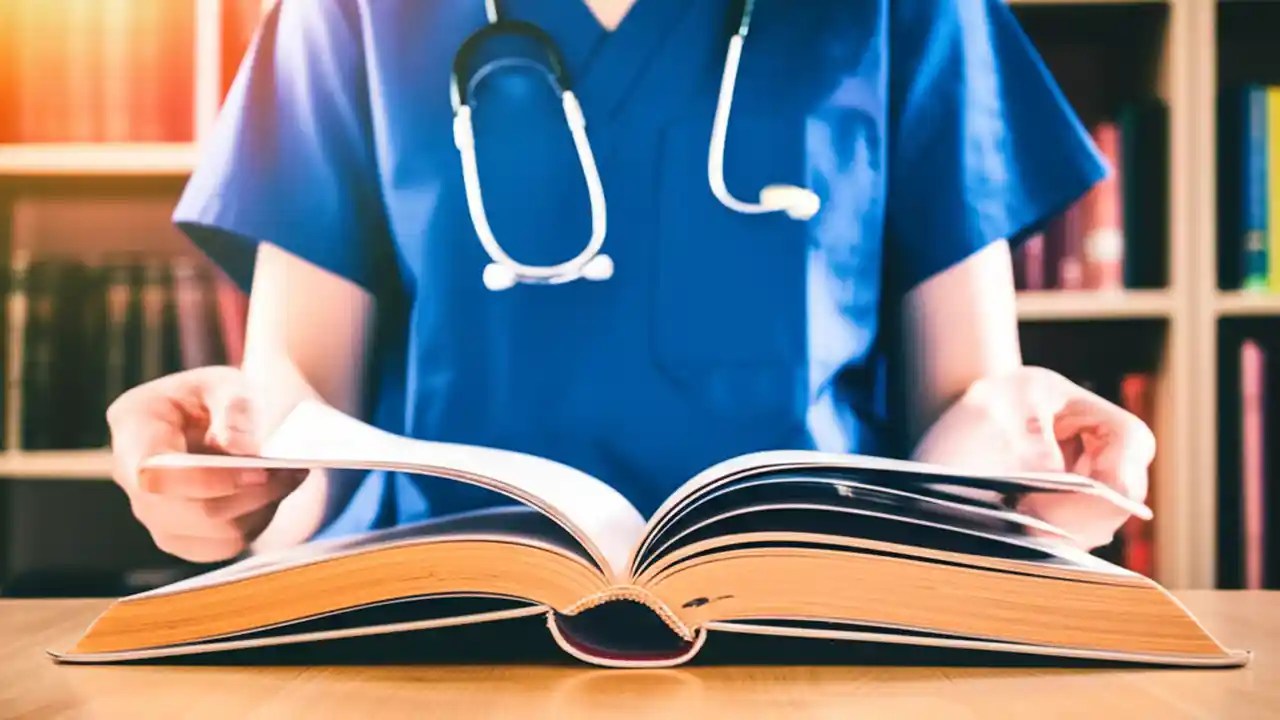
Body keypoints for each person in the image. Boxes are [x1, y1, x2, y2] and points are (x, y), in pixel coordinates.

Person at [106, 0, 1155, 564]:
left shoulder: (907, 10)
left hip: (811, 622)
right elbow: (298, 400)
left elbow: (965, 405)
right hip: (430, 613)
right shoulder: (350, 14)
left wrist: (1028, 464)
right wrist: (229, 463)